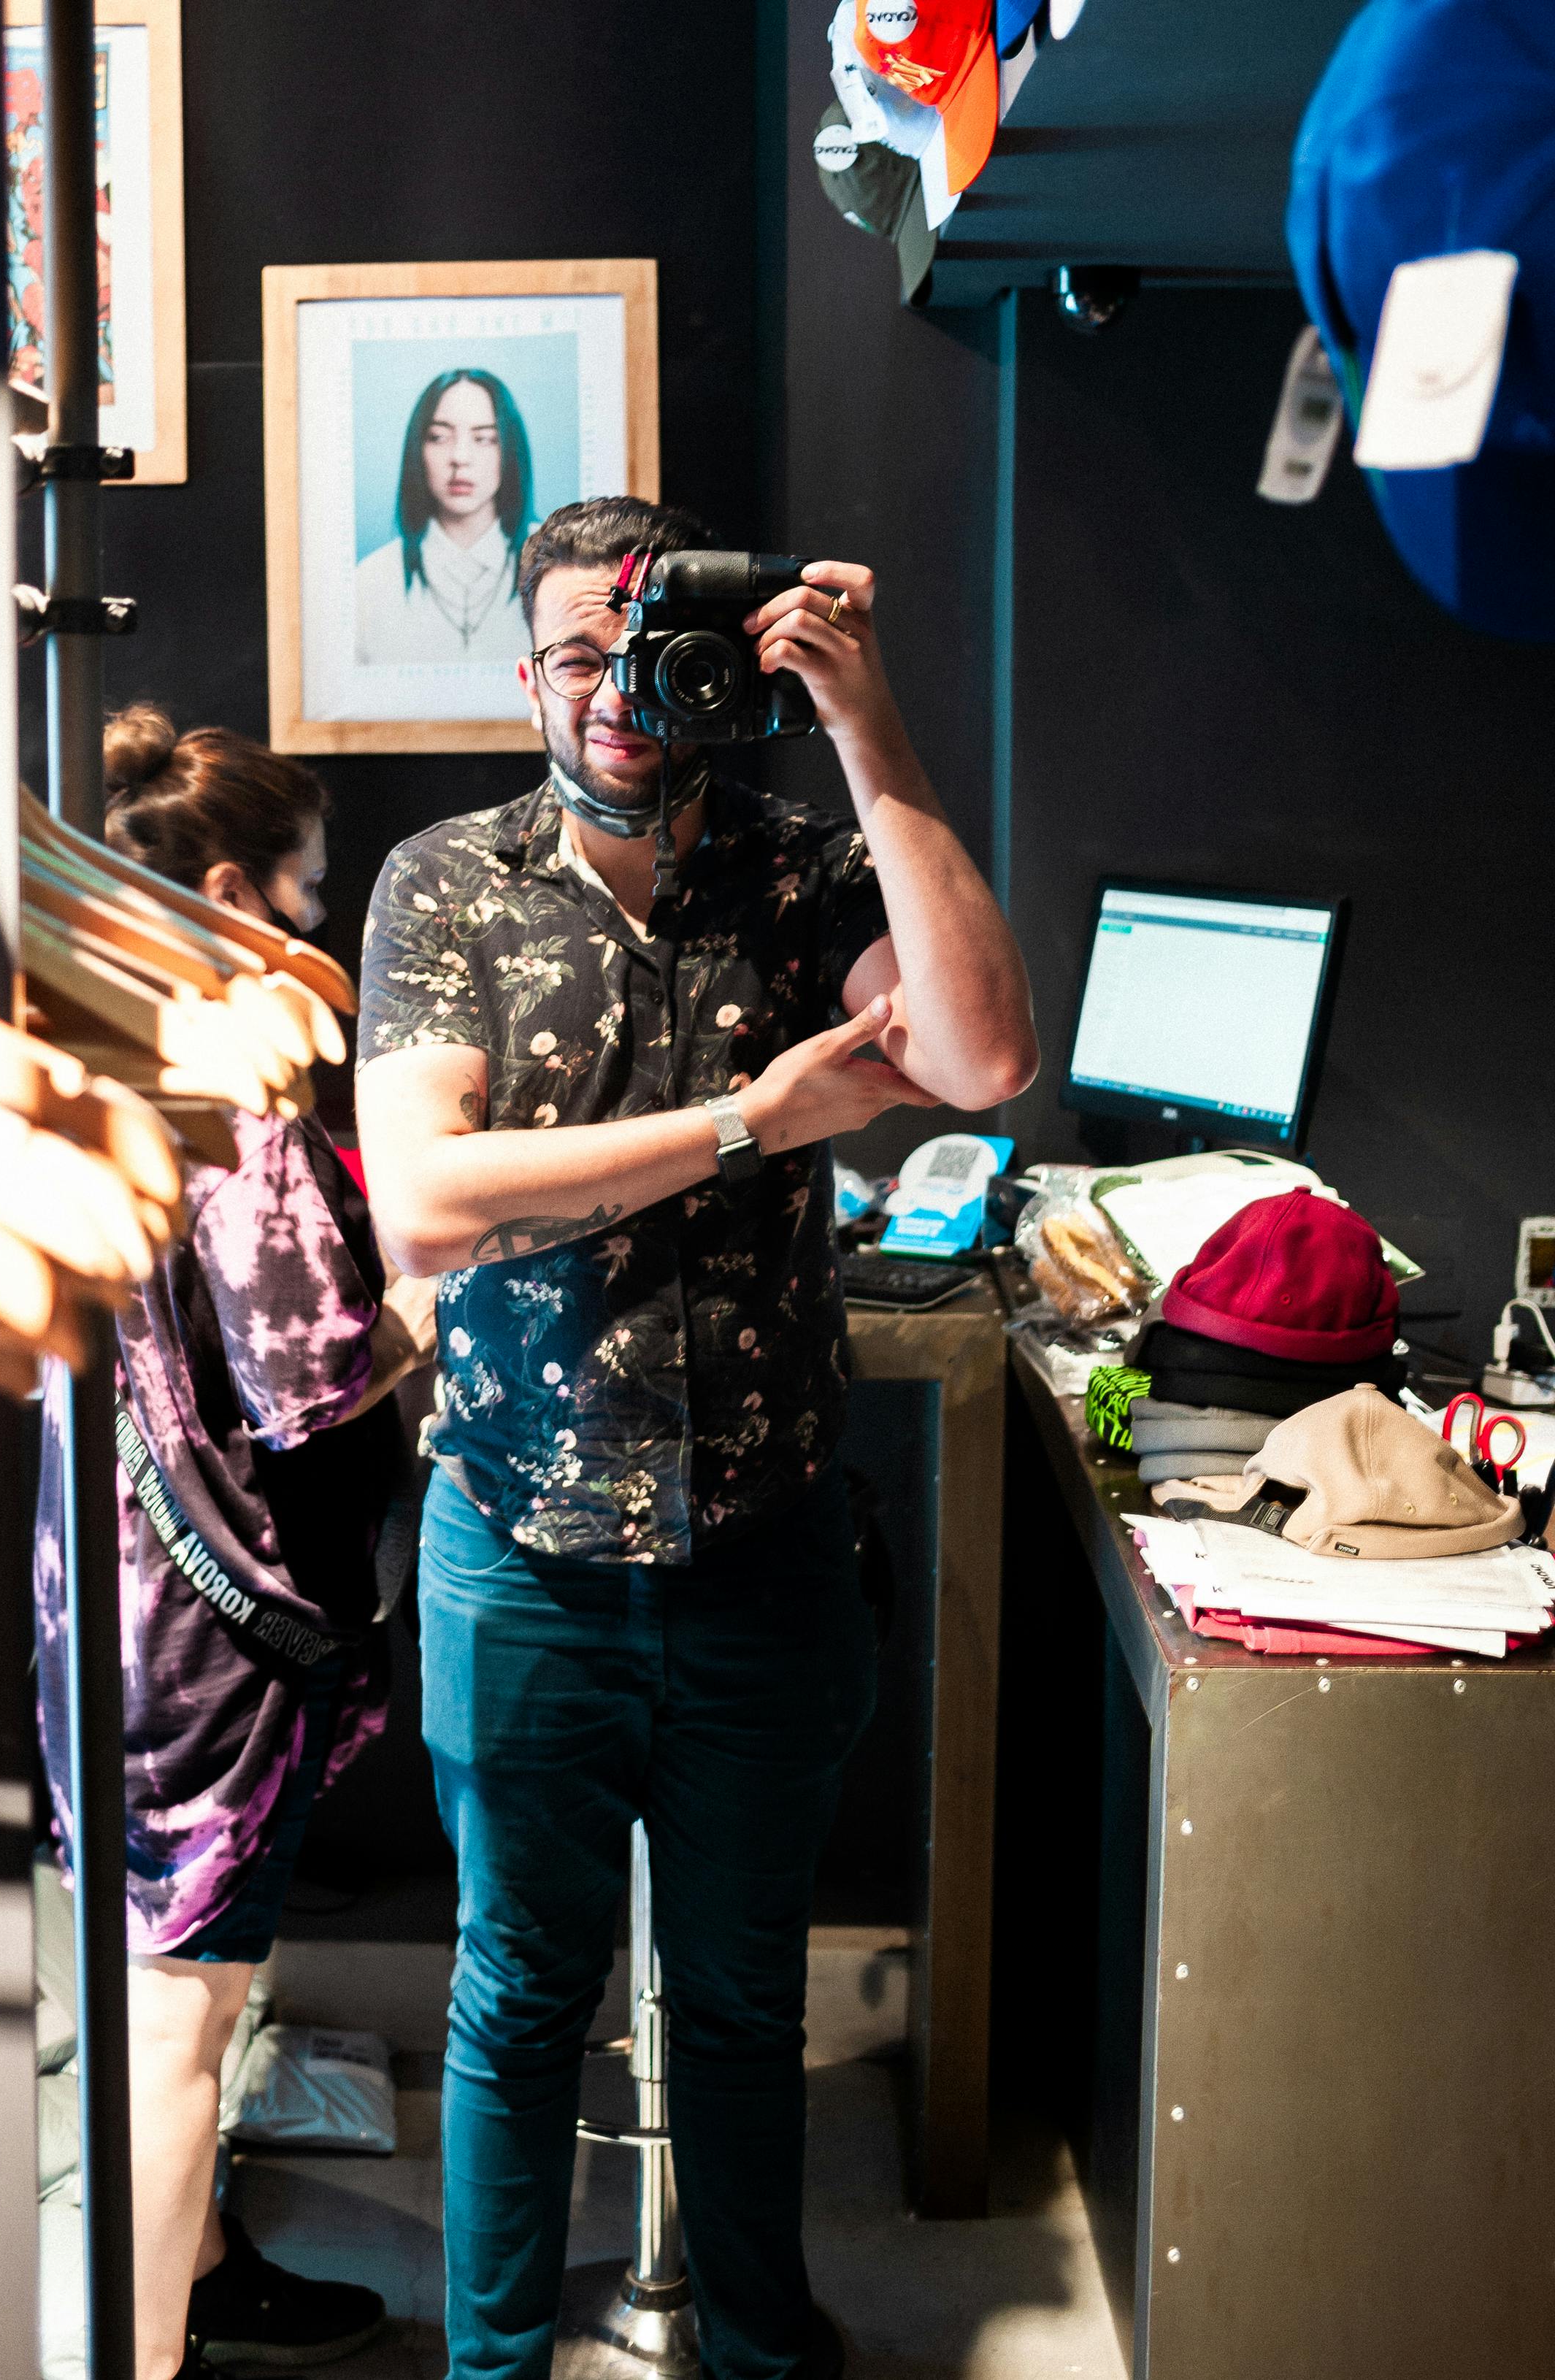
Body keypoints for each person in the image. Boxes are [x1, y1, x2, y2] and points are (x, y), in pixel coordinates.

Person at [354, 495, 1038, 2380]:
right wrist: (758, 1116)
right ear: (529, 676)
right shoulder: (448, 883)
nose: (615, 693)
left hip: (760, 1548)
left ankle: (757, 2345)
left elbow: (984, 1057)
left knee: (743, 2005)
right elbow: (422, 1203)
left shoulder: (810, 871)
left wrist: (870, 724)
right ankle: (492, 2368)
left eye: (647, 653)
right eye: (578, 654)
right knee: (516, 2000)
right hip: (521, 1551)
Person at [32, 704, 439, 2380]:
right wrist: (432, 1287)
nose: (322, 925)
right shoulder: (235, 1077)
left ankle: (202, 2276)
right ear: (224, 884)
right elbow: (309, 1373)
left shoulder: (67, 1035)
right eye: (306, 887)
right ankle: (146, 2348)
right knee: (180, 2019)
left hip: (98, 1589)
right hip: (214, 1634)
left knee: (150, 1987)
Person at [354, 368, 537, 667]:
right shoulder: (371, 581)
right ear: (417, 450)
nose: (460, 457)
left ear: (510, 450)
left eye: (485, 438)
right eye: (439, 437)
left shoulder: (557, 563)